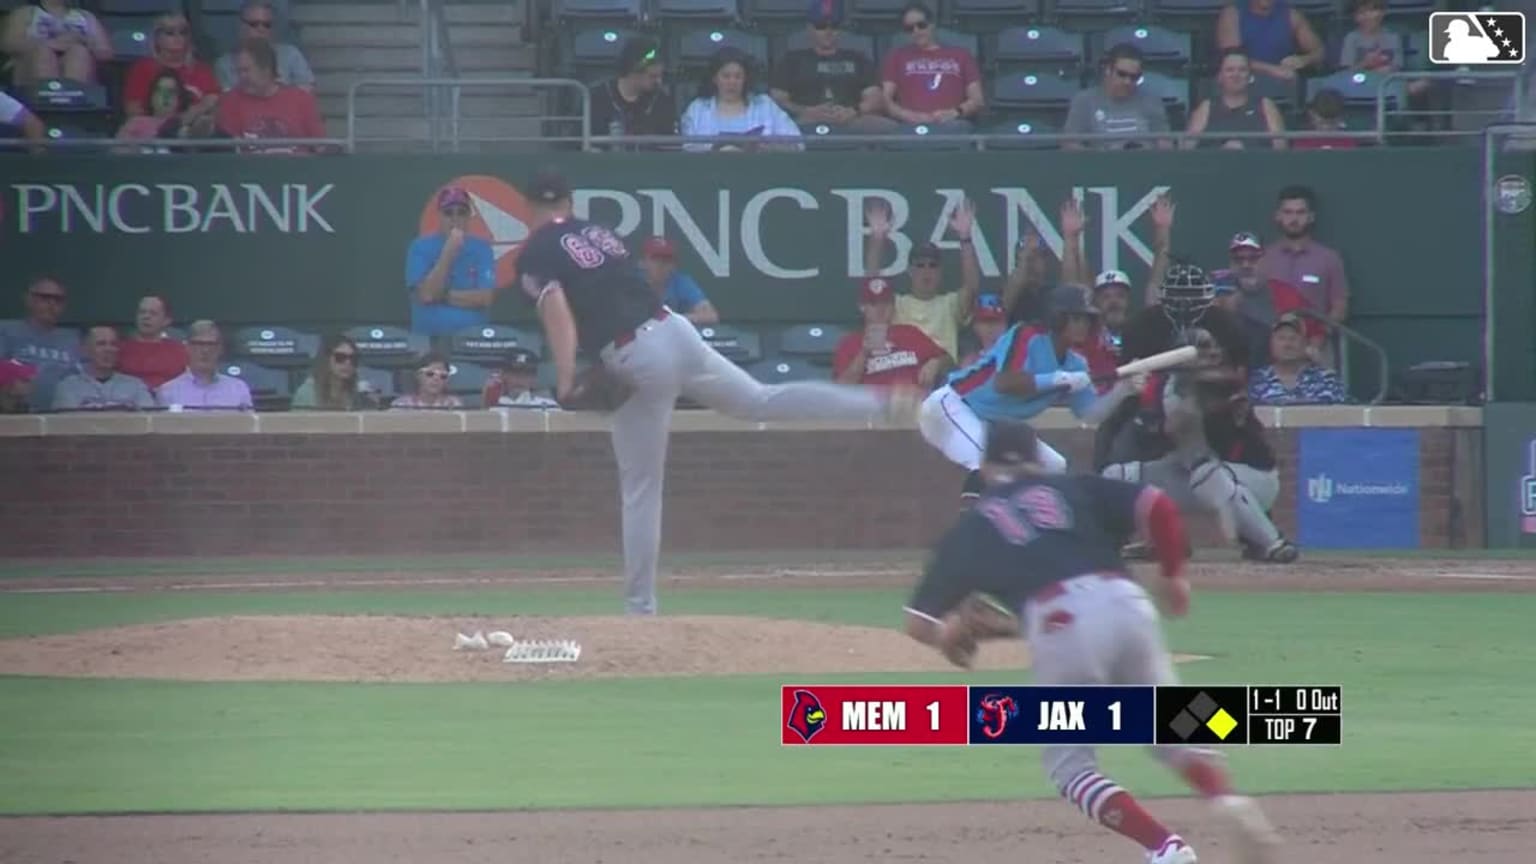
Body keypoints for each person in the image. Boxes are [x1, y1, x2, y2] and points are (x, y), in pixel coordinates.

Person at [512, 166, 915, 616]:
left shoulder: (535, 251)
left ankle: (639, 609)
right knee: (761, 399)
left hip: (635, 355)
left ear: (528, 207)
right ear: (569, 202)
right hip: (676, 331)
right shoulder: (599, 232)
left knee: (641, 487)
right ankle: (878, 402)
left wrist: (566, 377)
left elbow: (557, 310)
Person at [902, 418, 1282, 864]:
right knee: (1175, 727)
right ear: (1038, 460)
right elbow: (1158, 507)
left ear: (984, 467)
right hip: (1127, 603)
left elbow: (918, 622)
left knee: (1069, 766)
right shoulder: (1073, 487)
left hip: (1060, 621)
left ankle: (1165, 848)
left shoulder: (972, 527)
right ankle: (1227, 800)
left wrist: (950, 633)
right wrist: (1174, 576)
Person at [1097, 265, 1299, 564]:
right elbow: (1154, 427)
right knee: (1117, 476)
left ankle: (1271, 542)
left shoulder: (1222, 385)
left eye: (1212, 351)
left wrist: (1177, 400)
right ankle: (1165, 541)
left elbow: (1186, 425)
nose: (1211, 356)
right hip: (1192, 475)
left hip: (1251, 479)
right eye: (1203, 352)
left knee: (1205, 470)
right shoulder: (1165, 385)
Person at [916, 285, 1146, 504]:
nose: (1083, 325)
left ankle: (1031, 530)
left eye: (1086, 319)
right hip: (952, 406)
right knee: (985, 463)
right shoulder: (1026, 335)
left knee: (1054, 467)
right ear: (1057, 318)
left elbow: (1089, 414)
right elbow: (1005, 383)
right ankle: (973, 536)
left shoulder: (1077, 365)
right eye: (1076, 318)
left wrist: (1122, 390)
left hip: (993, 424)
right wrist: (1057, 379)